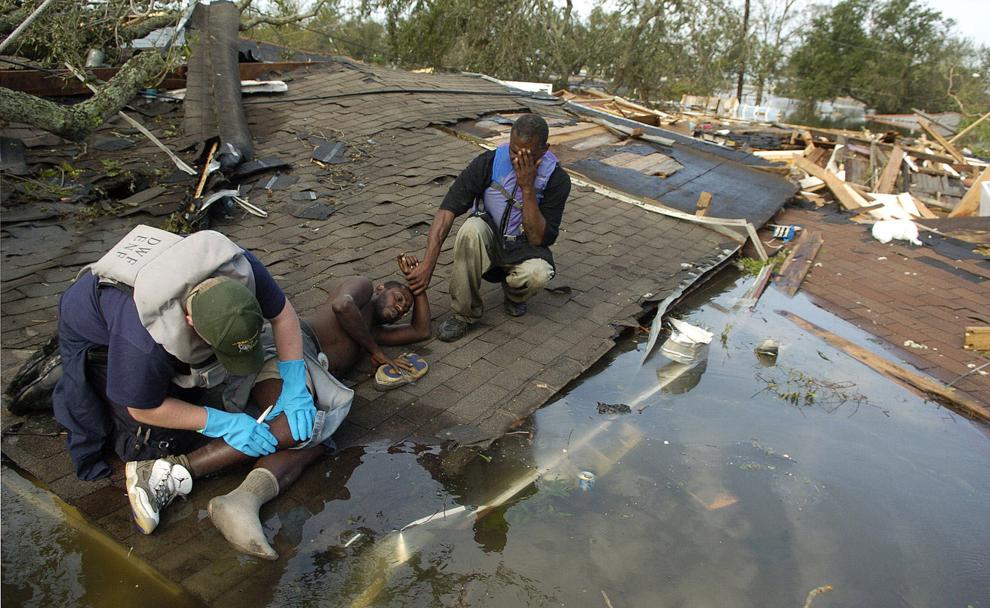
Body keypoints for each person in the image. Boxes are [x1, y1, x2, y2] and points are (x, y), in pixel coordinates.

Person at [125, 256, 431, 559]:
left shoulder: (374, 333)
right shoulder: (362, 289)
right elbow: (342, 305)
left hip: (313, 373)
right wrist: (377, 353)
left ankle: (243, 500)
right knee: (297, 427)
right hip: (289, 351)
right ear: (380, 287)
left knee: (316, 440)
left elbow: (421, 332)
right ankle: (171, 469)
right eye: (399, 297)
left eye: (404, 308)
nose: (400, 307)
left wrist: (418, 289)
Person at [53, 224, 316, 484]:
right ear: (189, 321)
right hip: (97, 333)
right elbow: (142, 408)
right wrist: (221, 423)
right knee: (154, 444)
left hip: (151, 294)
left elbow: (283, 315)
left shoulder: (240, 267)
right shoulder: (144, 340)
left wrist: (294, 381)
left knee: (188, 393)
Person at [405, 113, 571, 342]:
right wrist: (427, 264)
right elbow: (447, 210)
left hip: (525, 248)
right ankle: (464, 314)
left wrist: (527, 187)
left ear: (544, 150)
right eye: (514, 151)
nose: (517, 160)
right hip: (490, 241)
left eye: (527, 155)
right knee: (470, 229)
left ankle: (514, 296)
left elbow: (538, 238)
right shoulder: (489, 162)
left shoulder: (557, 180)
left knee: (539, 274)